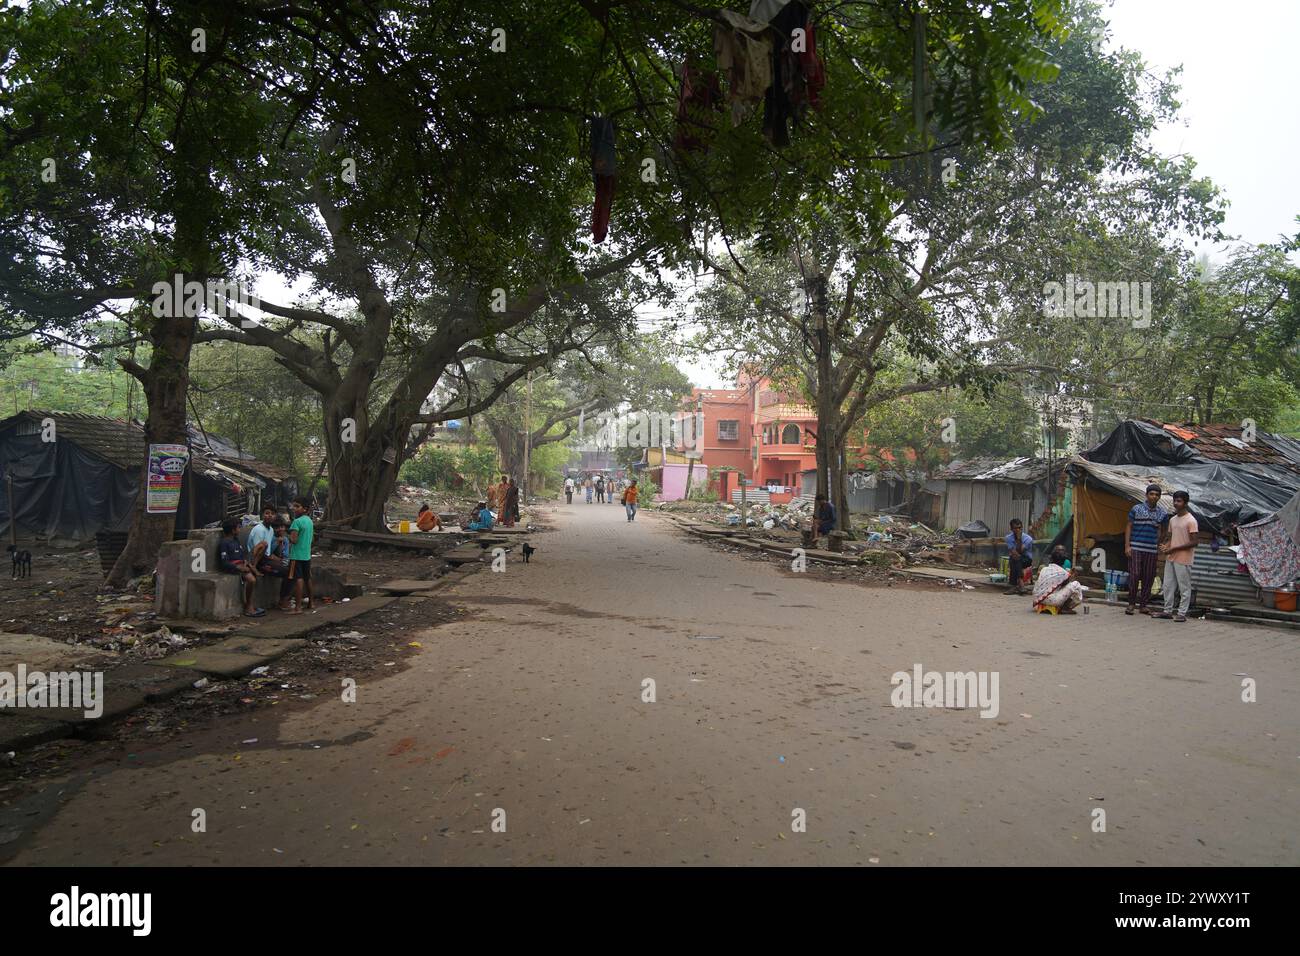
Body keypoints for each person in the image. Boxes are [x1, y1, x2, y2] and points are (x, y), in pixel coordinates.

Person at [1124, 483, 1168, 616]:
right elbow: (1129, 527)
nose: (1154, 496)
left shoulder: (1162, 513)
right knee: (1135, 575)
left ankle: (1143, 605)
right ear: (1146, 495)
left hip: (1151, 549)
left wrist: (1159, 543)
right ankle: (1131, 604)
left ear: (1159, 497)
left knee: (1149, 577)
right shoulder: (1136, 509)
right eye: (1151, 494)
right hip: (1136, 547)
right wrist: (1127, 546)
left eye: (1157, 495)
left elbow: (1164, 530)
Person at [1154, 491, 1198, 622]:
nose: (1176, 503)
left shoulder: (1191, 520)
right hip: (1171, 557)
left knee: (1184, 586)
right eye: (1175, 501)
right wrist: (1166, 546)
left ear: (1185, 503)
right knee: (1167, 585)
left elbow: (1195, 542)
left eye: (1179, 501)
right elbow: (1170, 537)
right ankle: (1167, 611)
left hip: (1184, 558)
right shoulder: (1173, 520)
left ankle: (1182, 613)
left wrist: (1174, 548)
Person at [218, 518, 264, 617]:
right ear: (233, 530)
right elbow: (224, 562)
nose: (240, 530)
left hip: (242, 564)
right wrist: (240, 568)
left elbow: (241, 556)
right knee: (251, 580)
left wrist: (248, 565)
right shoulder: (224, 543)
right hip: (234, 567)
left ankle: (252, 604)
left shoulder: (236, 540)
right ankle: (248, 606)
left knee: (256, 575)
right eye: (238, 528)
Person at [287, 496, 315, 615]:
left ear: (305, 509)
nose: (294, 509)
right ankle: (311, 602)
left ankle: (298, 607)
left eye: (297, 506)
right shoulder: (309, 521)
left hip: (296, 555)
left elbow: (294, 540)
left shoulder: (296, 522)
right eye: (294, 506)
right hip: (306, 555)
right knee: (307, 578)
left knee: (298, 580)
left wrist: (285, 536)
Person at [1004, 518, 1033, 596]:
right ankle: (1020, 584)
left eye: (1019, 528)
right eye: (1015, 528)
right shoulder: (1008, 538)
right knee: (1015, 559)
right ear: (1011, 529)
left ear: (1022, 528)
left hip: (1027, 559)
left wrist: (1019, 539)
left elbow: (1020, 551)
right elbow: (1014, 552)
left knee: (1015, 559)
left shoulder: (1028, 539)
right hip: (1016, 558)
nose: (1018, 530)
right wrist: (1015, 554)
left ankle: (1015, 585)